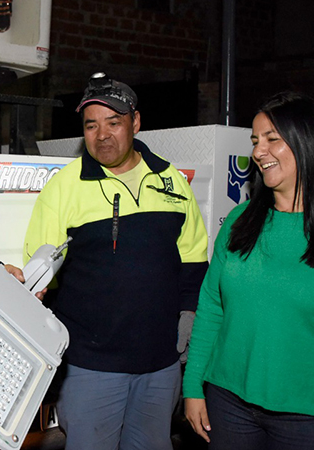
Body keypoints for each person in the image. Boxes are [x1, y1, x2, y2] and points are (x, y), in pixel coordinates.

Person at [182, 92, 314, 450]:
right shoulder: (239, 220)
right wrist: (192, 387)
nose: (258, 151)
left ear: (308, 143)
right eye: (255, 141)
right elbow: (211, 309)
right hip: (227, 402)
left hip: (310, 416)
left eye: (272, 140)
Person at [23, 72, 210, 450]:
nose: (102, 134)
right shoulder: (64, 186)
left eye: (113, 122)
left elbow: (192, 259)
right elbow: (40, 276)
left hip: (160, 364)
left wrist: (188, 317)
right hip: (91, 368)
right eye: (91, 125)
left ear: (136, 123)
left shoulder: (170, 179)